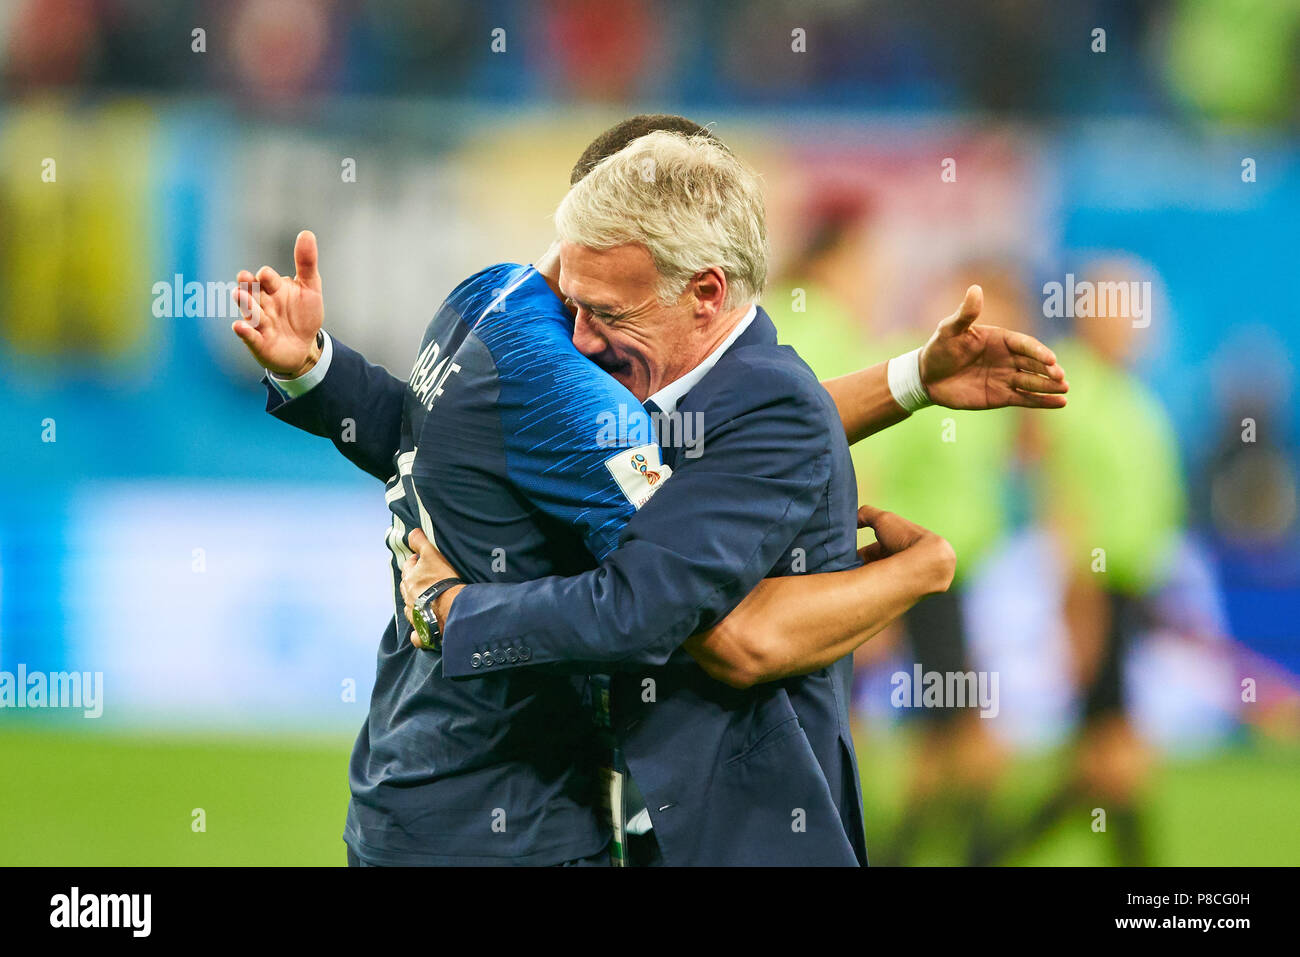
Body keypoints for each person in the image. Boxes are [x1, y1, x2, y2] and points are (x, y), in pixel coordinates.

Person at [391, 129, 1068, 864]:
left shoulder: (757, 397)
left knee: (962, 745)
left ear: (705, 293)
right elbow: (718, 448)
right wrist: (911, 384)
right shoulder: (671, 393)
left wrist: (458, 612)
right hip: (668, 821)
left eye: (606, 312)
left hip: (750, 835)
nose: (579, 339)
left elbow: (729, 637)